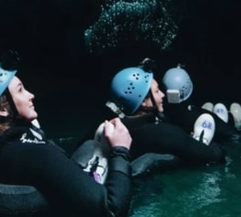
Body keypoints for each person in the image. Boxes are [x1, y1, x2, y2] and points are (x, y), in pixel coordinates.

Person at [0, 55, 136, 217]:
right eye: (21, 90)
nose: (31, 95)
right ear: (2, 109)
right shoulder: (38, 155)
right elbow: (113, 208)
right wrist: (121, 150)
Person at [97, 59, 226, 174]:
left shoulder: (106, 129)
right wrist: (212, 145)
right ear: (143, 101)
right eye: (157, 91)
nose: (163, 95)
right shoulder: (165, 133)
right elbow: (214, 155)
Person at [161, 64, 241, 144]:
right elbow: (233, 134)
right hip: (218, 132)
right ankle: (237, 122)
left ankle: (232, 120)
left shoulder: (162, 114)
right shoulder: (199, 115)